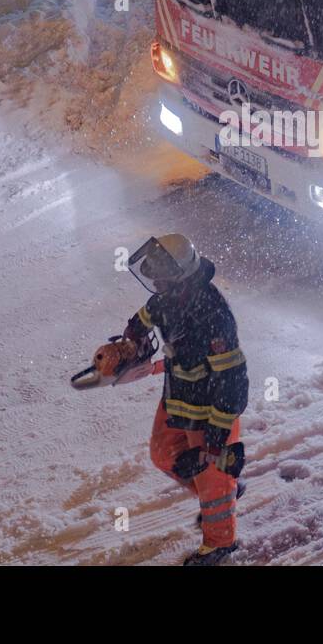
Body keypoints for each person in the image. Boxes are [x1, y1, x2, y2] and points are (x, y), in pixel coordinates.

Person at [122, 233, 248, 565]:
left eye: (159, 276)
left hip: (211, 407)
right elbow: (142, 320)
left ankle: (220, 543)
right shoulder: (166, 299)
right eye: (152, 275)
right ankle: (222, 492)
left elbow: (232, 377)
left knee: (210, 473)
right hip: (177, 395)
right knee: (164, 454)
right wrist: (130, 341)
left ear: (179, 275)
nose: (154, 281)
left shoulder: (213, 314)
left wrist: (218, 434)